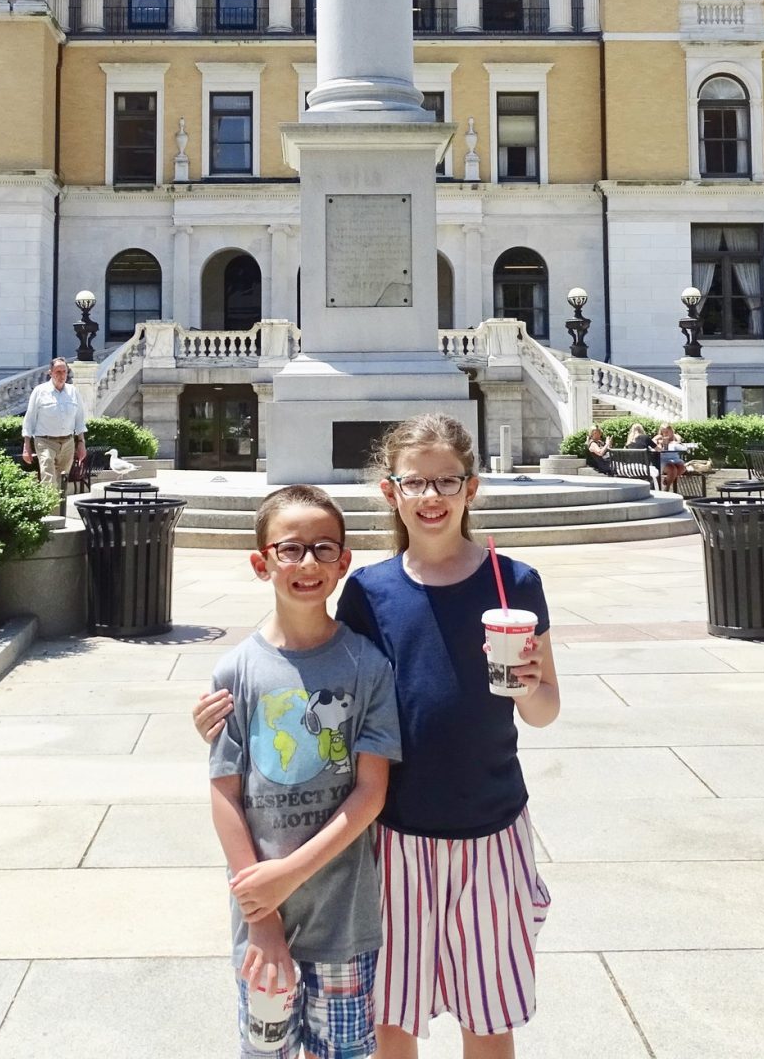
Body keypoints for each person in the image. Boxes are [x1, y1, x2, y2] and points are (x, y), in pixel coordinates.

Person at [198, 413, 562, 1059]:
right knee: (391, 1017)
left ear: (471, 488)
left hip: (493, 823)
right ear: (390, 490)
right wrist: (226, 713)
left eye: (446, 481)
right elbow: (322, 676)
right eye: (415, 482)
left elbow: (543, 711)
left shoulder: (517, 582)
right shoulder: (369, 591)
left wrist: (530, 684)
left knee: (488, 1014)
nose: (431, 496)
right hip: (393, 838)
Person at [209, 484, 401, 1059]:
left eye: (324, 549)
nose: (308, 563)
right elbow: (224, 795)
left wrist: (287, 874)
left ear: (345, 563)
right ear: (261, 561)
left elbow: (370, 793)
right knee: (264, 1051)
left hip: (344, 919)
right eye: (290, 549)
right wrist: (262, 914)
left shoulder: (366, 665)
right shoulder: (235, 671)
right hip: (260, 923)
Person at [20, 357, 87, 492]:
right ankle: (49, 512)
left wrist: (81, 443)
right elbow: (30, 419)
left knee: (63, 480)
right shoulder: (40, 391)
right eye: (58, 372)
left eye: (64, 371)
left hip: (68, 442)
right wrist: (26, 446)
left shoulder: (73, 391)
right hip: (45, 441)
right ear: (50, 373)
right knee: (49, 480)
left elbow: (79, 420)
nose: (61, 375)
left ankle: (60, 512)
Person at [651, 423, 685, 491]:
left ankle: (667, 480)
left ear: (671, 431)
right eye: (663, 432)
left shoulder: (676, 437)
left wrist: (674, 442)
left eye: (667, 432)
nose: (665, 434)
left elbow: (680, 443)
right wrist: (659, 442)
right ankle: (667, 488)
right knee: (672, 469)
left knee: (682, 468)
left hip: (675, 459)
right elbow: (652, 442)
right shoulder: (659, 437)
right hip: (664, 460)